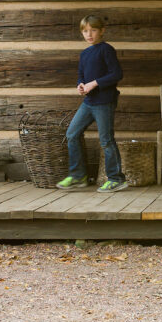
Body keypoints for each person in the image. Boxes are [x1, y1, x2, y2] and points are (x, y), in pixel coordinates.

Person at [57, 14, 127, 192]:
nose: (89, 34)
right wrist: (80, 85)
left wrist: (94, 83)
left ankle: (116, 179)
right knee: (72, 134)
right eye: (85, 31)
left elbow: (116, 74)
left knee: (106, 141)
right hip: (88, 102)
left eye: (93, 30)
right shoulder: (85, 53)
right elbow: (81, 75)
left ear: (102, 31)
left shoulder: (106, 49)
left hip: (104, 102)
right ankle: (78, 175)